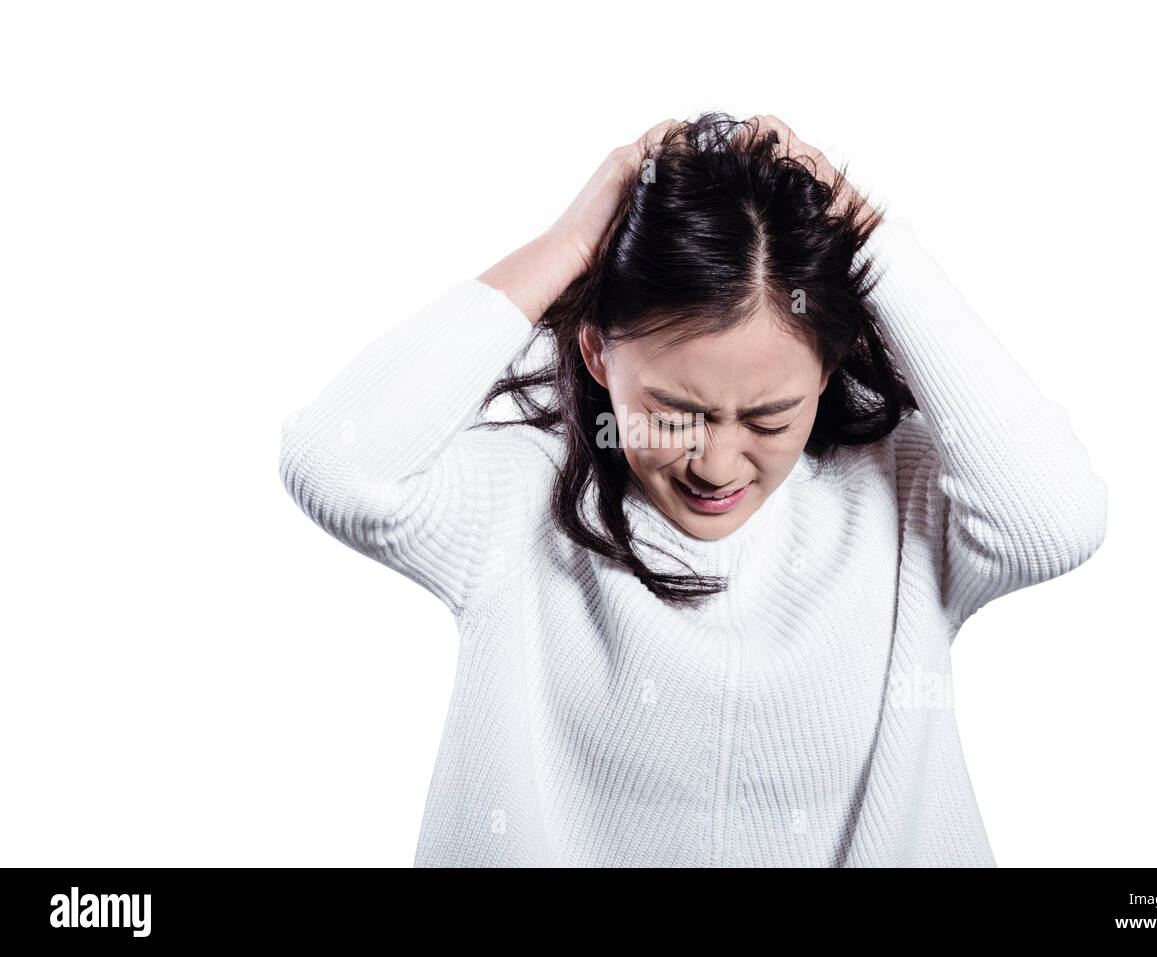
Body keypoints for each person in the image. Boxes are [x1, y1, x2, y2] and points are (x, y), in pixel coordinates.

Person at [278, 112, 1108, 867]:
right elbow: (337, 463)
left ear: (827, 364)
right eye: (673, 413)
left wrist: (878, 248)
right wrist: (568, 247)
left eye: (770, 417)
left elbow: (1059, 517)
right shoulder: (519, 506)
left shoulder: (902, 498)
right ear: (599, 357)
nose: (717, 465)